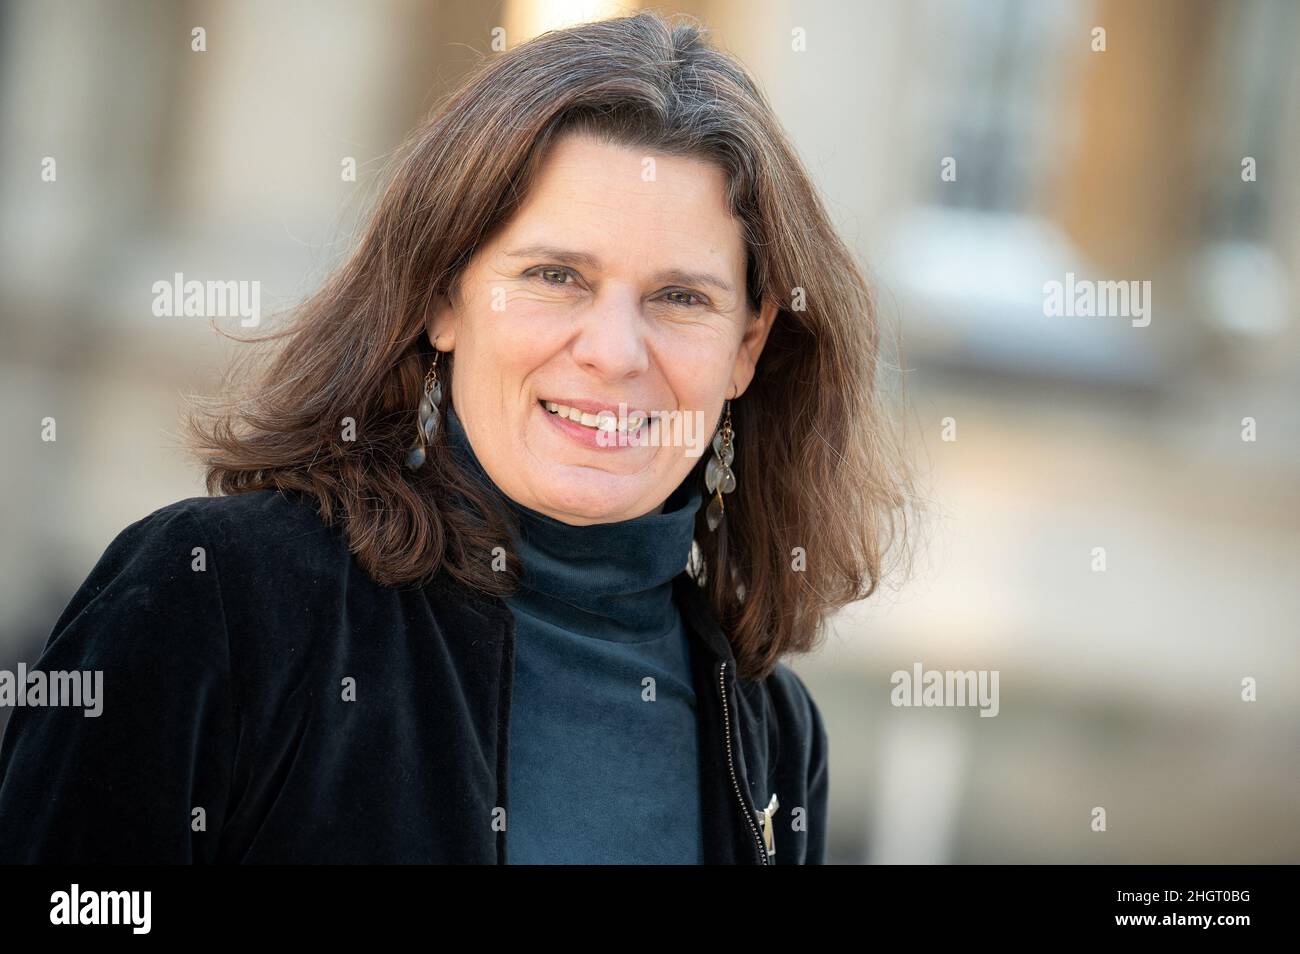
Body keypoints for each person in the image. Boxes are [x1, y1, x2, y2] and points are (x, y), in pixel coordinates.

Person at [0, 11, 910, 864]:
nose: (613, 352)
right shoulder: (221, 603)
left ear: (748, 347)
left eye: (681, 298)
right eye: (556, 275)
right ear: (442, 297)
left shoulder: (770, 733)